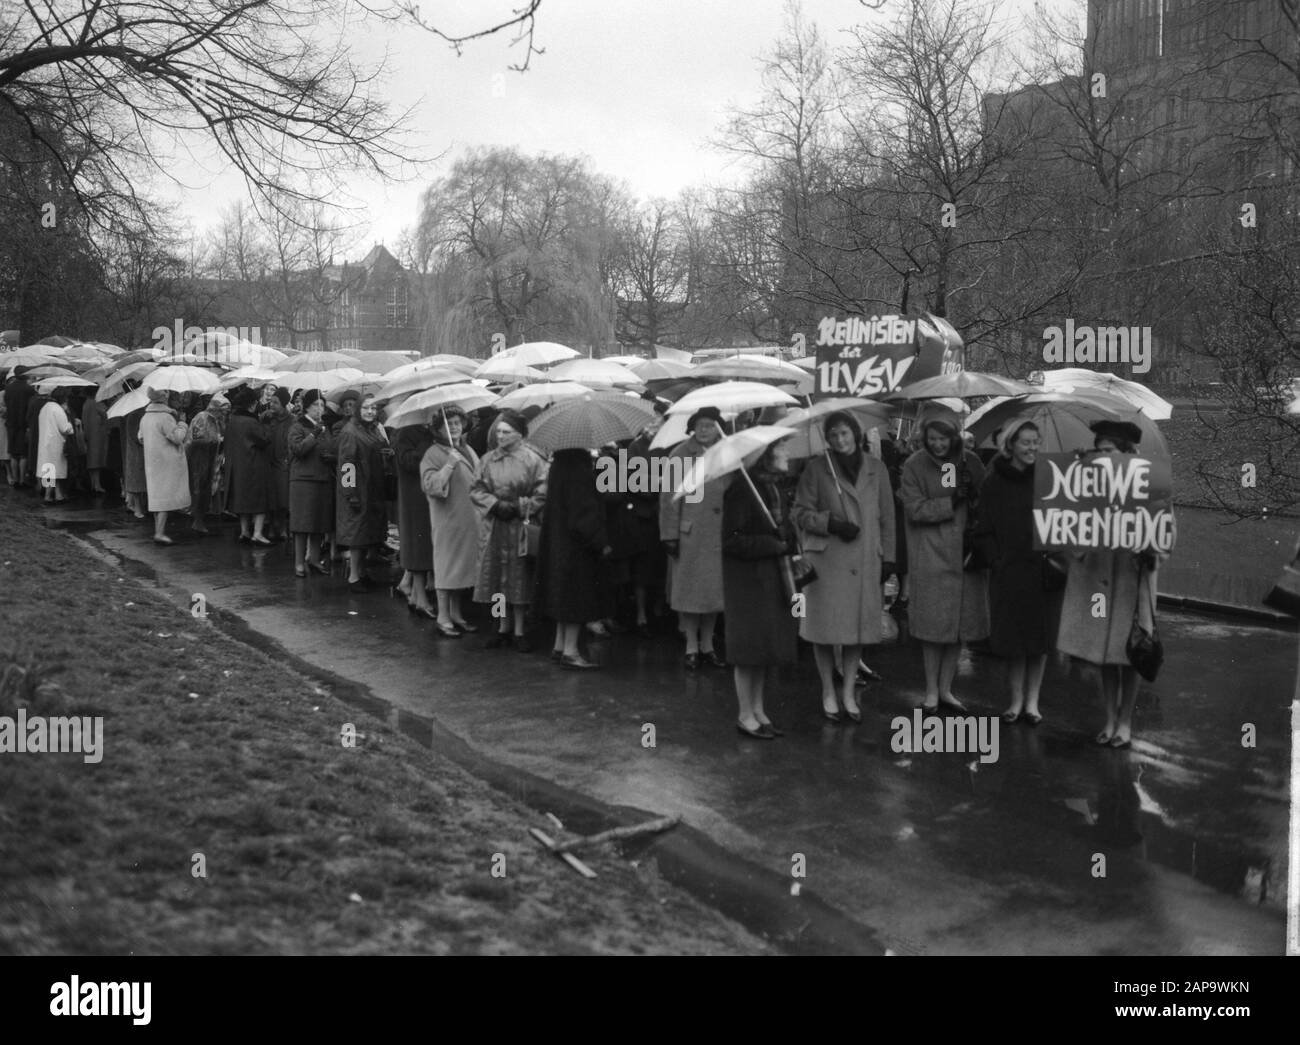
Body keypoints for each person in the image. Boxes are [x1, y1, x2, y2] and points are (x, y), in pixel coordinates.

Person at [1056, 420, 1162, 749]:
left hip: (1132, 582)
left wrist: (1147, 546)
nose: (1103, 456)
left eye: (1109, 450)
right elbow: (1067, 529)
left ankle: (1126, 722)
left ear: (1127, 453)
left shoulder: (1151, 484)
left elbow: (1164, 532)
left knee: (1129, 655)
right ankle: (1109, 719)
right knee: (1103, 654)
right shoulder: (1085, 483)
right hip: (1098, 582)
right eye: (1099, 450)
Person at [793, 412, 896, 723]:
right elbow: (799, 512)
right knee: (824, 631)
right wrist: (831, 524)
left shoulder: (877, 468)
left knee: (856, 632)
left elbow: (887, 517)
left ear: (856, 432)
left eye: (844, 433)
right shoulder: (816, 468)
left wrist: (889, 558)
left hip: (865, 559)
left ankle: (849, 691)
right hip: (826, 563)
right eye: (834, 435)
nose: (840, 440)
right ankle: (828, 690)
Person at [900, 416, 989, 713]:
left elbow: (986, 498)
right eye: (932, 439)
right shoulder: (914, 465)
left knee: (957, 629)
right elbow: (914, 509)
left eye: (944, 438)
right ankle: (930, 691)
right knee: (933, 629)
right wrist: (949, 502)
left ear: (953, 437)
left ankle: (946, 689)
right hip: (932, 555)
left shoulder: (970, 460)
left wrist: (972, 488)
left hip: (966, 555)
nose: (938, 444)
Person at [972, 419, 1059, 725]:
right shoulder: (994, 480)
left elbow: (1065, 517)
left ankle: (1033, 702)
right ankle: (1016, 700)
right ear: (1011, 444)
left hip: (1042, 569)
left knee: (1039, 640)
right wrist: (996, 560)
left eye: (1036, 442)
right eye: (1026, 442)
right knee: (1013, 641)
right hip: (1008, 570)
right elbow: (982, 526)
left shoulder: (1050, 477)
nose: (1032, 447)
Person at [723, 437, 800, 738]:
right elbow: (730, 540)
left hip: (771, 578)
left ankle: (758, 709)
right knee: (748, 650)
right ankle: (745, 713)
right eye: (781, 448)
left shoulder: (772, 487)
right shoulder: (742, 489)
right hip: (748, 582)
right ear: (766, 455)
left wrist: (786, 535)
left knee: (764, 648)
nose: (787, 453)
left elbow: (782, 530)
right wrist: (771, 542)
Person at [470, 410, 547, 651]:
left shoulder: (533, 460)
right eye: (499, 431)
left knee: (518, 578)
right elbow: (476, 488)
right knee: (495, 578)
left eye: (507, 431)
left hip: (518, 525)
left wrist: (519, 506)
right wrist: (494, 504)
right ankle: (501, 626)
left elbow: (543, 492)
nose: (501, 436)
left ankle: (520, 629)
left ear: (519, 434)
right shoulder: (487, 460)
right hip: (494, 525)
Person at [658, 406, 727, 670]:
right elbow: (668, 499)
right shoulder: (680, 454)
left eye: (710, 425)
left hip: (718, 534)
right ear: (692, 427)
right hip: (690, 536)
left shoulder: (727, 454)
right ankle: (690, 647)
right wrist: (670, 535)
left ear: (718, 428)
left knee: (712, 596)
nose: (704, 430)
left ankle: (708, 645)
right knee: (690, 595)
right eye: (700, 425)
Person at [535, 448, 612, 669]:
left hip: (559, 543)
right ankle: (570, 651)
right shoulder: (579, 468)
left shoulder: (559, 464)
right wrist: (601, 542)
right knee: (576, 598)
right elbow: (583, 515)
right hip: (577, 547)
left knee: (563, 596)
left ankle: (559, 647)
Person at [420, 407, 481, 637]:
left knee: (462, 571)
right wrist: (449, 465)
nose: (454, 427)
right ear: (438, 429)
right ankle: (443, 617)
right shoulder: (433, 454)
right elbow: (430, 485)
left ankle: (456, 614)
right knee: (447, 569)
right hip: (448, 520)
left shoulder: (467, 449)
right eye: (449, 423)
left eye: (457, 423)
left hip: (468, 520)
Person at [335, 393, 391, 592]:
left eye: (374, 408)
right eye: (366, 408)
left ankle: (362, 573)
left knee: (367, 535)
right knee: (357, 537)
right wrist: (350, 493)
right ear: (359, 409)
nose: (370, 411)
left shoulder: (373, 429)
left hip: (372, 488)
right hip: (358, 491)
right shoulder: (350, 432)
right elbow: (346, 464)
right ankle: (353, 577)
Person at [288, 389, 336, 578]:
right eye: (316, 405)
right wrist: (313, 435)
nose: (320, 408)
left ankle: (314, 559)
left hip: (322, 479)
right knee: (302, 524)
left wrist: (332, 456)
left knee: (318, 522)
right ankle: (299, 562)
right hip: (303, 481)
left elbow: (331, 447)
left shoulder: (325, 427)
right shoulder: (298, 426)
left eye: (323, 405)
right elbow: (298, 450)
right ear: (307, 407)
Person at [394, 416, 436, 617]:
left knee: (424, 546)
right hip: (414, 497)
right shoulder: (406, 432)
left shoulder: (429, 431)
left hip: (426, 495)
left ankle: (415, 596)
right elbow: (408, 462)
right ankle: (419, 599)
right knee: (418, 548)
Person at [139, 388, 191, 544]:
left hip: (152, 462)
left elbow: (140, 437)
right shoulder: (166, 417)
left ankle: (158, 530)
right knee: (165, 497)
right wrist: (182, 423)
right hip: (167, 463)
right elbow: (177, 438)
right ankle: (159, 533)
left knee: (157, 497)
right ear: (163, 397)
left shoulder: (145, 417)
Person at [225, 387, 274, 545]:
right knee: (259, 500)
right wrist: (266, 424)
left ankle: (245, 531)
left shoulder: (232, 420)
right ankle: (257, 533)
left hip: (236, 465)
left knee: (242, 500)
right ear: (252, 404)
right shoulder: (251, 422)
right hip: (253, 464)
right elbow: (264, 440)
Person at [186, 393, 229, 535]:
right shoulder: (202, 417)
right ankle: (197, 520)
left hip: (211, 459)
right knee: (200, 488)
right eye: (223, 410)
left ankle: (202, 518)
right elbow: (194, 439)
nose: (225, 413)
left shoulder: (217, 420)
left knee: (208, 488)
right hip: (199, 459)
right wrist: (214, 440)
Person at [36, 387, 74, 503]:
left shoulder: (45, 407)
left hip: (45, 443)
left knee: (49, 470)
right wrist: (70, 420)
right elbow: (65, 428)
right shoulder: (58, 409)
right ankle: (48, 496)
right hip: (55, 444)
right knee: (53, 470)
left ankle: (58, 495)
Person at [3, 366, 33, 486]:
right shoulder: (29, 389)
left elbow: (6, 404)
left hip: (10, 424)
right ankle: (22, 479)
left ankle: (15, 479)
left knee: (13, 453)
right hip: (24, 424)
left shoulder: (8, 388)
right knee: (23, 454)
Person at [82, 392, 109, 495]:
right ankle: (97, 485)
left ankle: (94, 484)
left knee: (91, 461)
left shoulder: (86, 403)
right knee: (96, 461)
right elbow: (106, 415)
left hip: (89, 435)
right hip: (97, 436)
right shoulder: (97, 403)